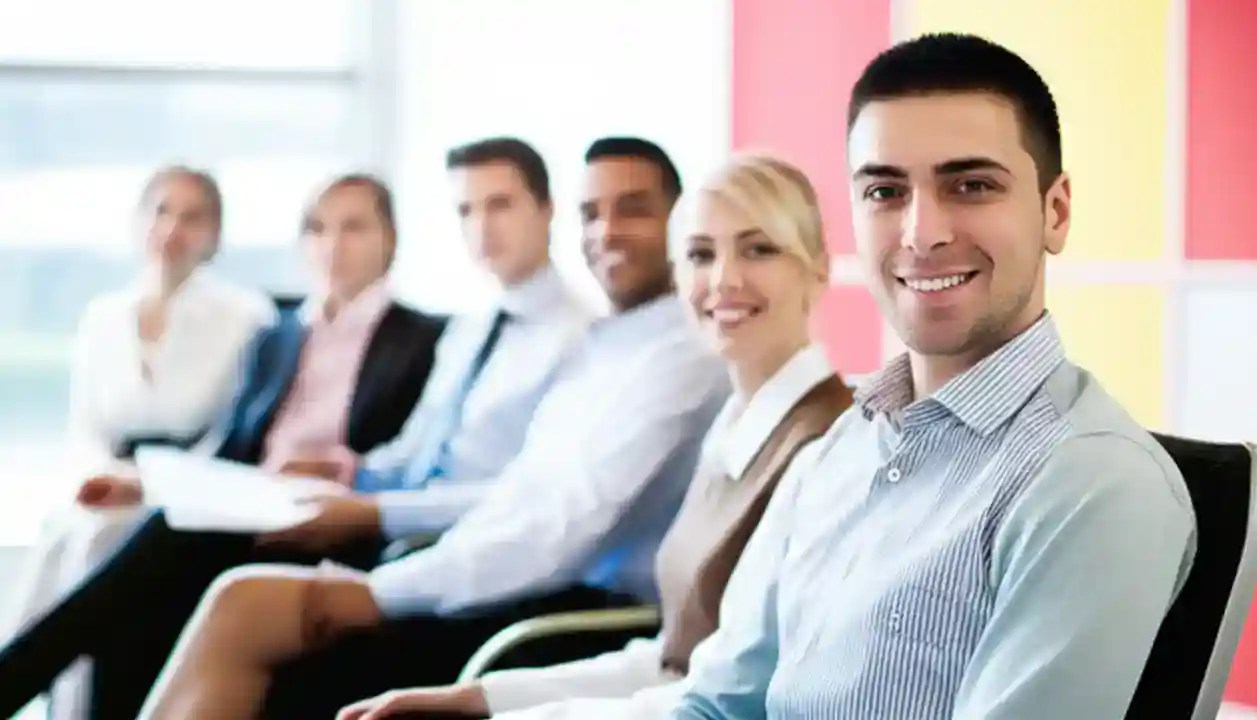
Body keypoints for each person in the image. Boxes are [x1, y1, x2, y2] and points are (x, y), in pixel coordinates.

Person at [672, 33, 1196, 720]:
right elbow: (716, 705)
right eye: (885, 190)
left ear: (1055, 212)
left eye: (971, 185)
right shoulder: (836, 450)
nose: (921, 233)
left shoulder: (1093, 484)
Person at [133, 136, 731, 720]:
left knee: (245, 610)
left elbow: (556, 531)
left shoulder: (677, 357)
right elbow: (516, 497)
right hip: (493, 570)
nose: (606, 233)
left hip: (564, 611)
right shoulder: (606, 347)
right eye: (591, 215)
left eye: (633, 210)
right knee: (226, 588)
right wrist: (354, 483)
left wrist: (381, 586)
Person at [336, 154, 856, 720]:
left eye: (759, 249)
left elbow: (728, 698)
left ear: (818, 269)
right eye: (702, 254)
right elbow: (674, 659)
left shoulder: (826, 444)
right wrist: (477, 699)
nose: (724, 279)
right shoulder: (737, 424)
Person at [0, 173, 449, 720]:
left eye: (353, 227)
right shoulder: (279, 335)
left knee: (158, 545)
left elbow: (419, 457)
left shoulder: (424, 337)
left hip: (330, 514)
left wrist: (345, 468)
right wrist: (141, 481)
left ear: (390, 239)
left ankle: (10, 682)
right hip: (250, 505)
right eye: (317, 229)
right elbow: (233, 450)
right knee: (137, 571)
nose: (332, 245)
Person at [3, 166, 274, 720]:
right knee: (68, 537)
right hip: (105, 486)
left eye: (192, 216)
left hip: (186, 494)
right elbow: (85, 428)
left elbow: (238, 434)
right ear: (139, 222)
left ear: (215, 234)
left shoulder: (249, 318)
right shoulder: (102, 316)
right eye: (161, 211)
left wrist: (147, 485)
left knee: (100, 546)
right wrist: (98, 480)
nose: (173, 228)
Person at [277, 138, 595, 545]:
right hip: (402, 526)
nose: (481, 227)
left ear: (547, 209)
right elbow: (415, 451)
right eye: (466, 210)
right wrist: (347, 471)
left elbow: (528, 496)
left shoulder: (582, 339)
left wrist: (375, 514)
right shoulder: (468, 330)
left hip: (472, 543)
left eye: (500, 205)